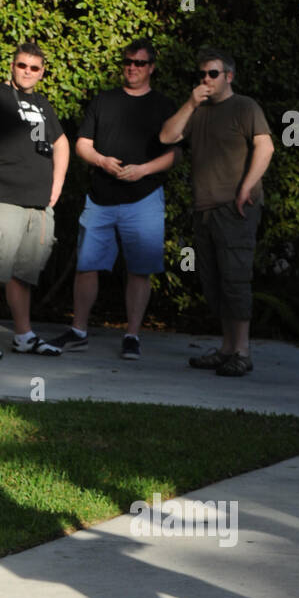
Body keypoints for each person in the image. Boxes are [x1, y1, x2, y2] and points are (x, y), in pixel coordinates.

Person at [51, 38, 178, 360]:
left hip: (144, 198)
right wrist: (102, 161)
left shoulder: (164, 106)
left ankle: (132, 335)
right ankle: (78, 330)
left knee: (139, 269)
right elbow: (82, 143)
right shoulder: (104, 100)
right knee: (87, 266)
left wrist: (144, 170)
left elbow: (174, 154)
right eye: (128, 62)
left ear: (151, 67)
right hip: (100, 198)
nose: (132, 68)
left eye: (139, 63)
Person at [160, 46, 273, 377]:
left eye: (213, 74)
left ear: (229, 76)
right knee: (213, 282)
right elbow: (167, 136)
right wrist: (192, 102)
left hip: (235, 207)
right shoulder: (199, 110)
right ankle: (226, 347)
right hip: (205, 208)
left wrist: (245, 188)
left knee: (236, 279)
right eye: (203, 75)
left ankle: (242, 350)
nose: (206, 80)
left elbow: (265, 146)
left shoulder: (244, 106)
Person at [0, 43, 69, 359]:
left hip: (39, 204)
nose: (27, 72)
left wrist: (56, 186)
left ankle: (23, 335)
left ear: (42, 71)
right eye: (22, 66)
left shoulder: (43, 103)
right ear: (13, 66)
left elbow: (61, 143)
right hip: (3, 197)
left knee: (24, 274)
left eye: (34, 68)